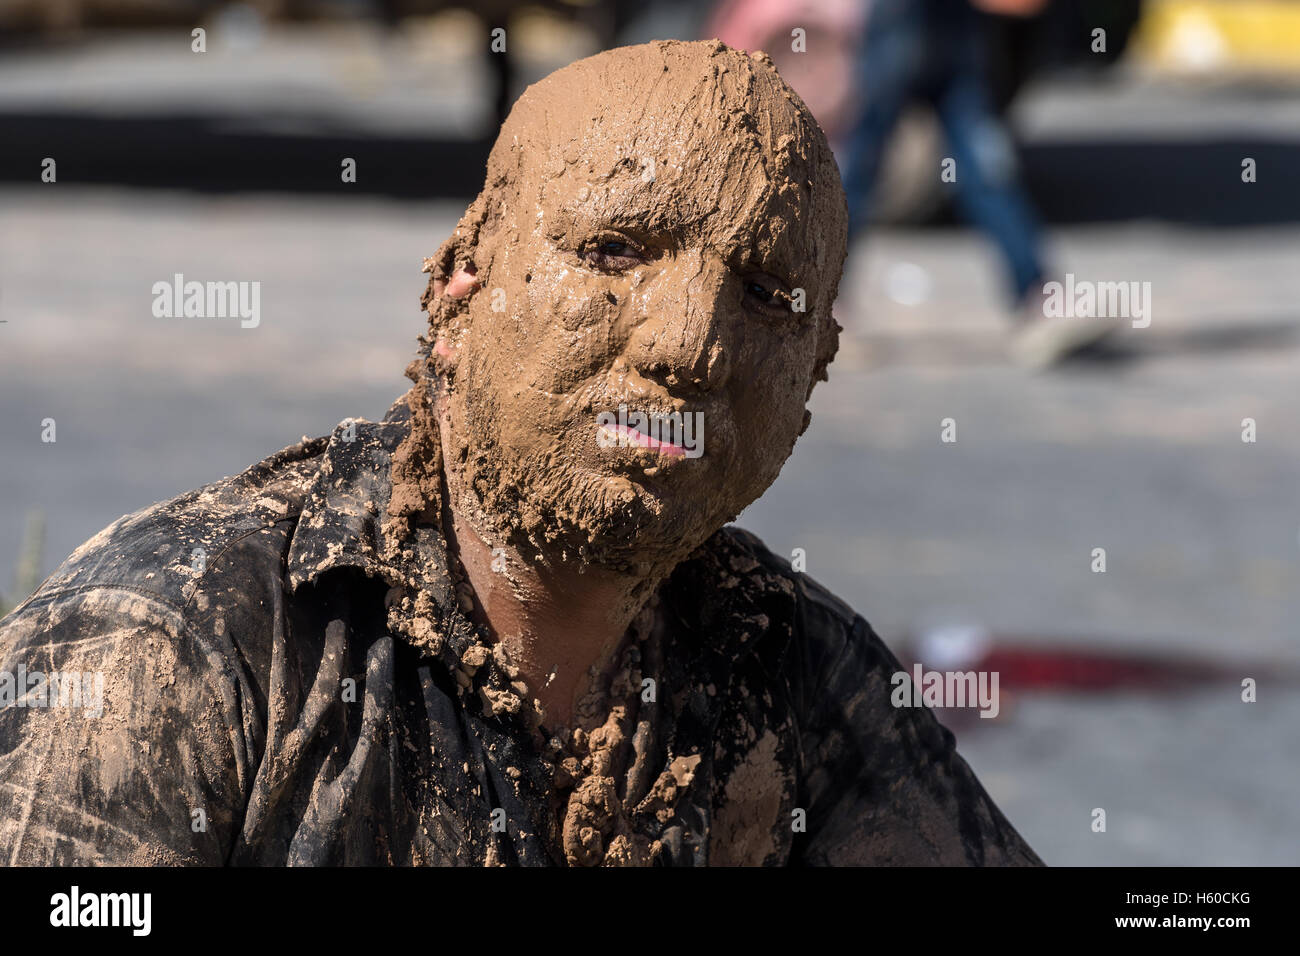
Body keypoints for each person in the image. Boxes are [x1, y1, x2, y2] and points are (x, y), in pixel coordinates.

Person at [0, 39, 1041, 866]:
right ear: (460, 286)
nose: (690, 346)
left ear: (815, 377)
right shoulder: (181, 642)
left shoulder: (795, 670)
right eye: (614, 251)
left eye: (766, 298)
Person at [840, 0, 1114, 366]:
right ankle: (817, 307)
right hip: (904, 16)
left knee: (985, 163)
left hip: (953, 21)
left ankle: (1038, 297)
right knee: (862, 164)